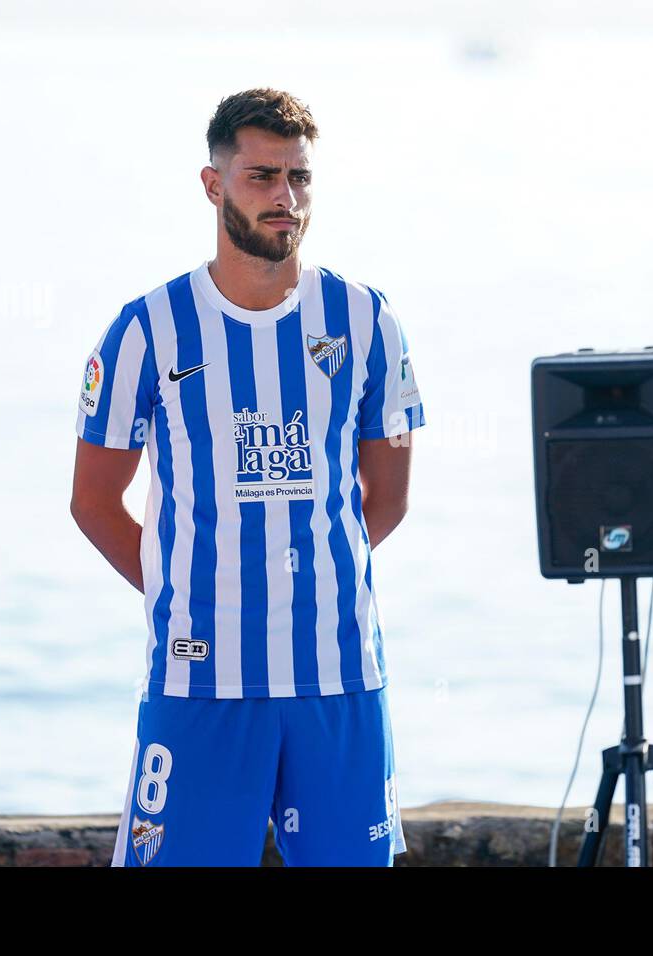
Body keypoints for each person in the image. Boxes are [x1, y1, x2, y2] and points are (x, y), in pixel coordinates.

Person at [69, 88, 425, 866]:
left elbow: (386, 500)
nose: (285, 198)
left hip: (339, 680)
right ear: (212, 184)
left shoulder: (367, 320)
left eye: (298, 178)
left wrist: (300, 585)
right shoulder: (147, 328)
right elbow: (93, 502)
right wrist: (189, 589)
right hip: (199, 686)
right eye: (262, 177)